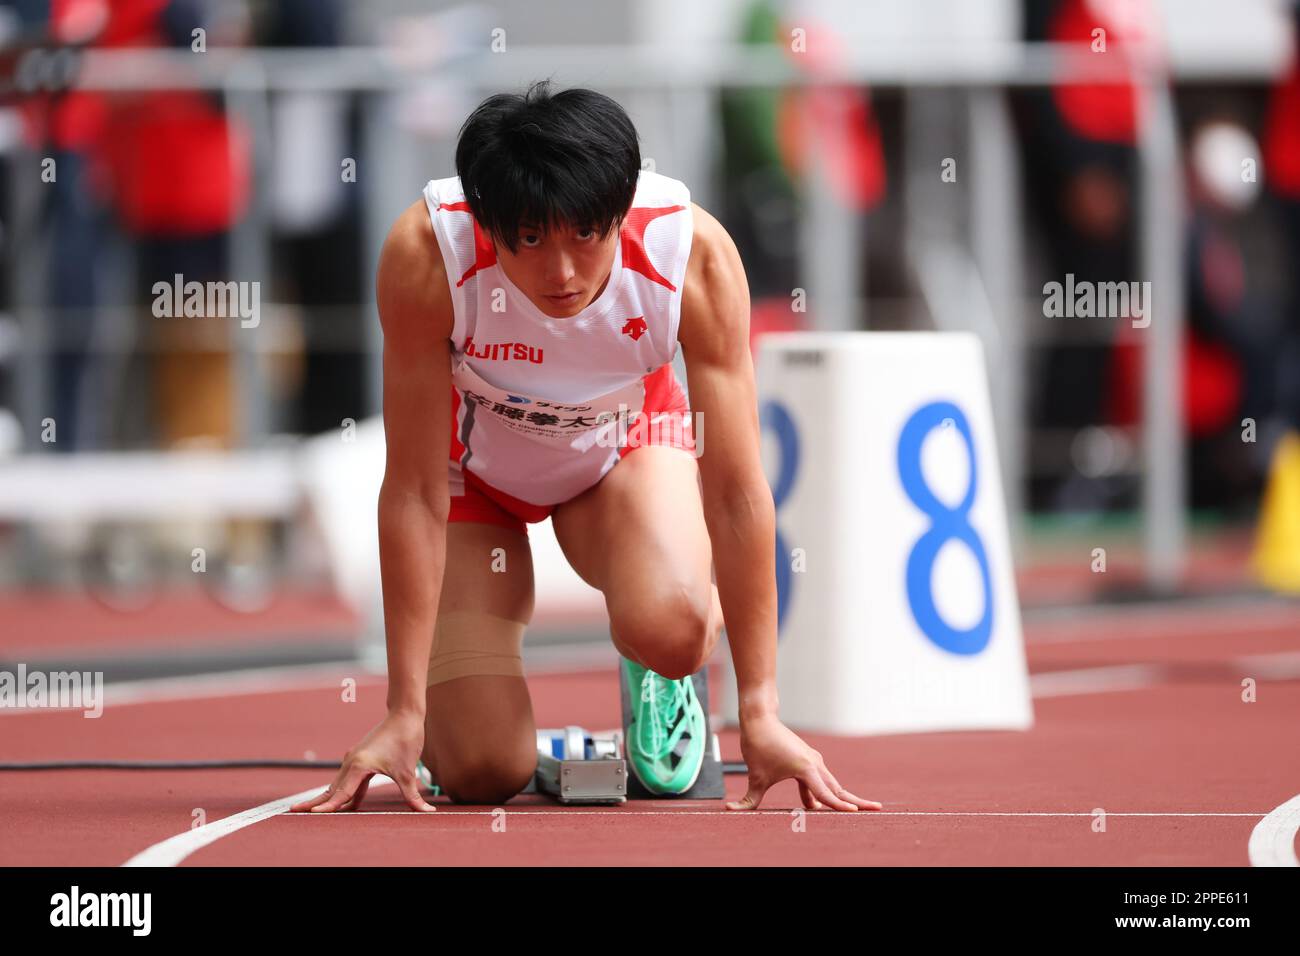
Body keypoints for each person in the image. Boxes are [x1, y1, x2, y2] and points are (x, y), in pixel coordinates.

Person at [293, 81, 881, 814]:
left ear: (621, 209)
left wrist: (759, 708)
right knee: (480, 771)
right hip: (473, 475)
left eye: (584, 236)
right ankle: (480, 728)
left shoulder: (690, 257)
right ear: (488, 221)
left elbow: (735, 489)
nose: (562, 273)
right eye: (531, 239)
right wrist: (404, 711)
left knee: (670, 627)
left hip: (616, 457)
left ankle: (664, 663)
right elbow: (412, 491)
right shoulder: (426, 253)